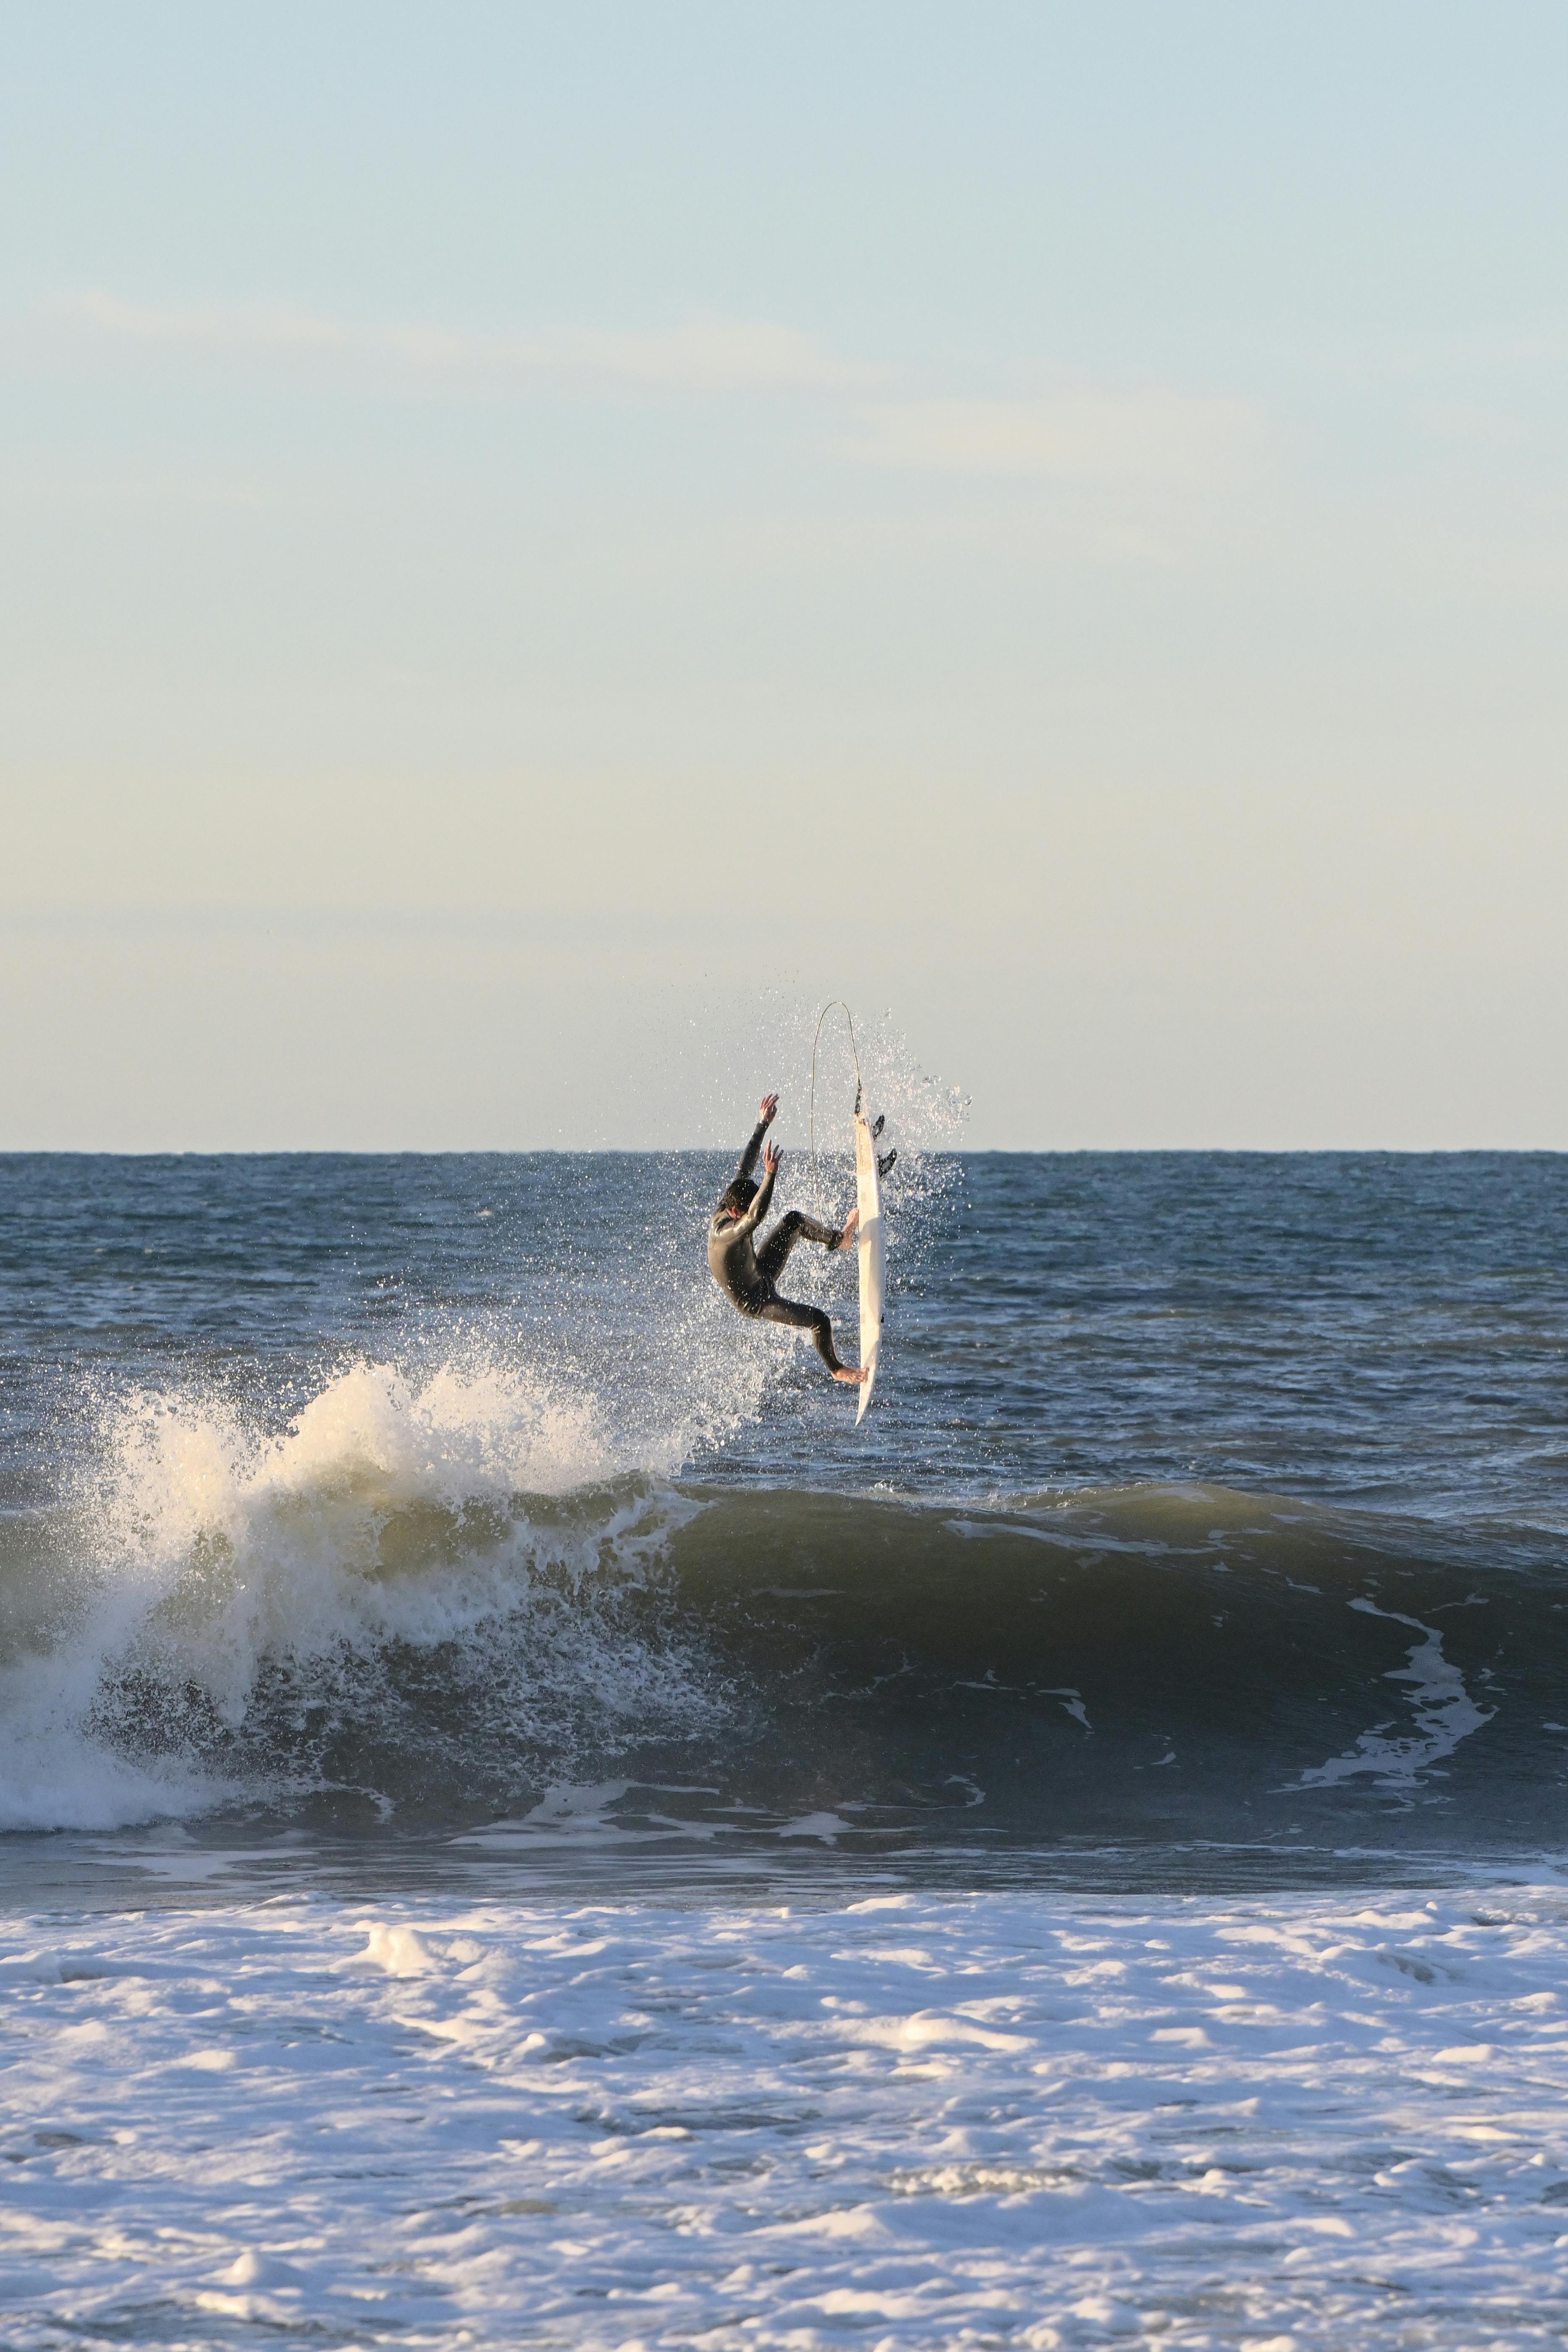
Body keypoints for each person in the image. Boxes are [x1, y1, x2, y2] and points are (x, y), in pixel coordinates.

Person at [708, 1092, 867, 1385]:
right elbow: (755, 1216)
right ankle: (836, 1369)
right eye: (745, 1211)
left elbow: (744, 1168)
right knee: (820, 1321)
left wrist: (762, 1124)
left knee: (794, 1220)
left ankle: (841, 1239)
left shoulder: (729, 1201)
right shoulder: (728, 1233)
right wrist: (770, 1175)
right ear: (736, 1212)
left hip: (759, 1270)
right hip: (757, 1300)